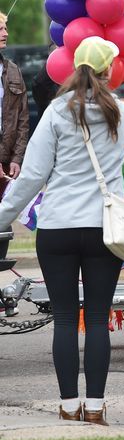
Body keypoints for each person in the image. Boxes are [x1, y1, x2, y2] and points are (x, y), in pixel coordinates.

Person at [0, 36, 124, 424]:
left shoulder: (57, 112)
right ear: (110, 70)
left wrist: (2, 215)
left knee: (64, 318)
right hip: (103, 229)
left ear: (73, 66)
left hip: (58, 227)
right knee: (97, 318)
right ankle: (95, 407)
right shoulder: (122, 113)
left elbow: (31, 177)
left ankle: (67, 405)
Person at [0, 13, 29, 261]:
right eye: (0, 28)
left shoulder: (13, 71)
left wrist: (17, 158)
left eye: (5, 27)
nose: (5, 33)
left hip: (7, 163)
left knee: (2, 226)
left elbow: (22, 119)